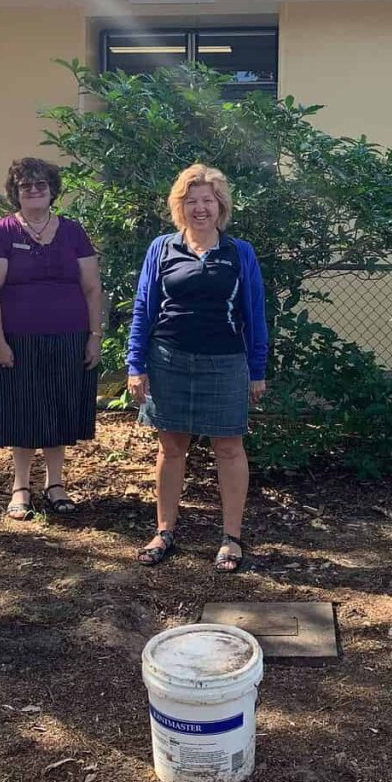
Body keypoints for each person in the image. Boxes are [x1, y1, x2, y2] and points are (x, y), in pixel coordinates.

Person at [126, 164, 268, 572]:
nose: (200, 208)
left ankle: (231, 538)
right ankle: (164, 531)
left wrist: (257, 369)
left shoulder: (239, 252)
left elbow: (254, 313)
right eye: (191, 201)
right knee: (171, 449)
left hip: (226, 363)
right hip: (168, 360)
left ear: (220, 205)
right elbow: (143, 308)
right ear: (179, 206)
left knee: (229, 448)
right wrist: (137, 364)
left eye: (207, 200)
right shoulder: (161, 248)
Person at [0, 158, 103, 520]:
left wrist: (94, 337)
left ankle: (56, 483)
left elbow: (92, 288)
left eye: (40, 184)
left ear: (52, 190)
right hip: (16, 340)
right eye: (25, 186)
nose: (33, 190)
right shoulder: (1, 233)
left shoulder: (73, 232)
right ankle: (20, 486)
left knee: (59, 409)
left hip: (69, 337)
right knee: (22, 411)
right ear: (15, 193)